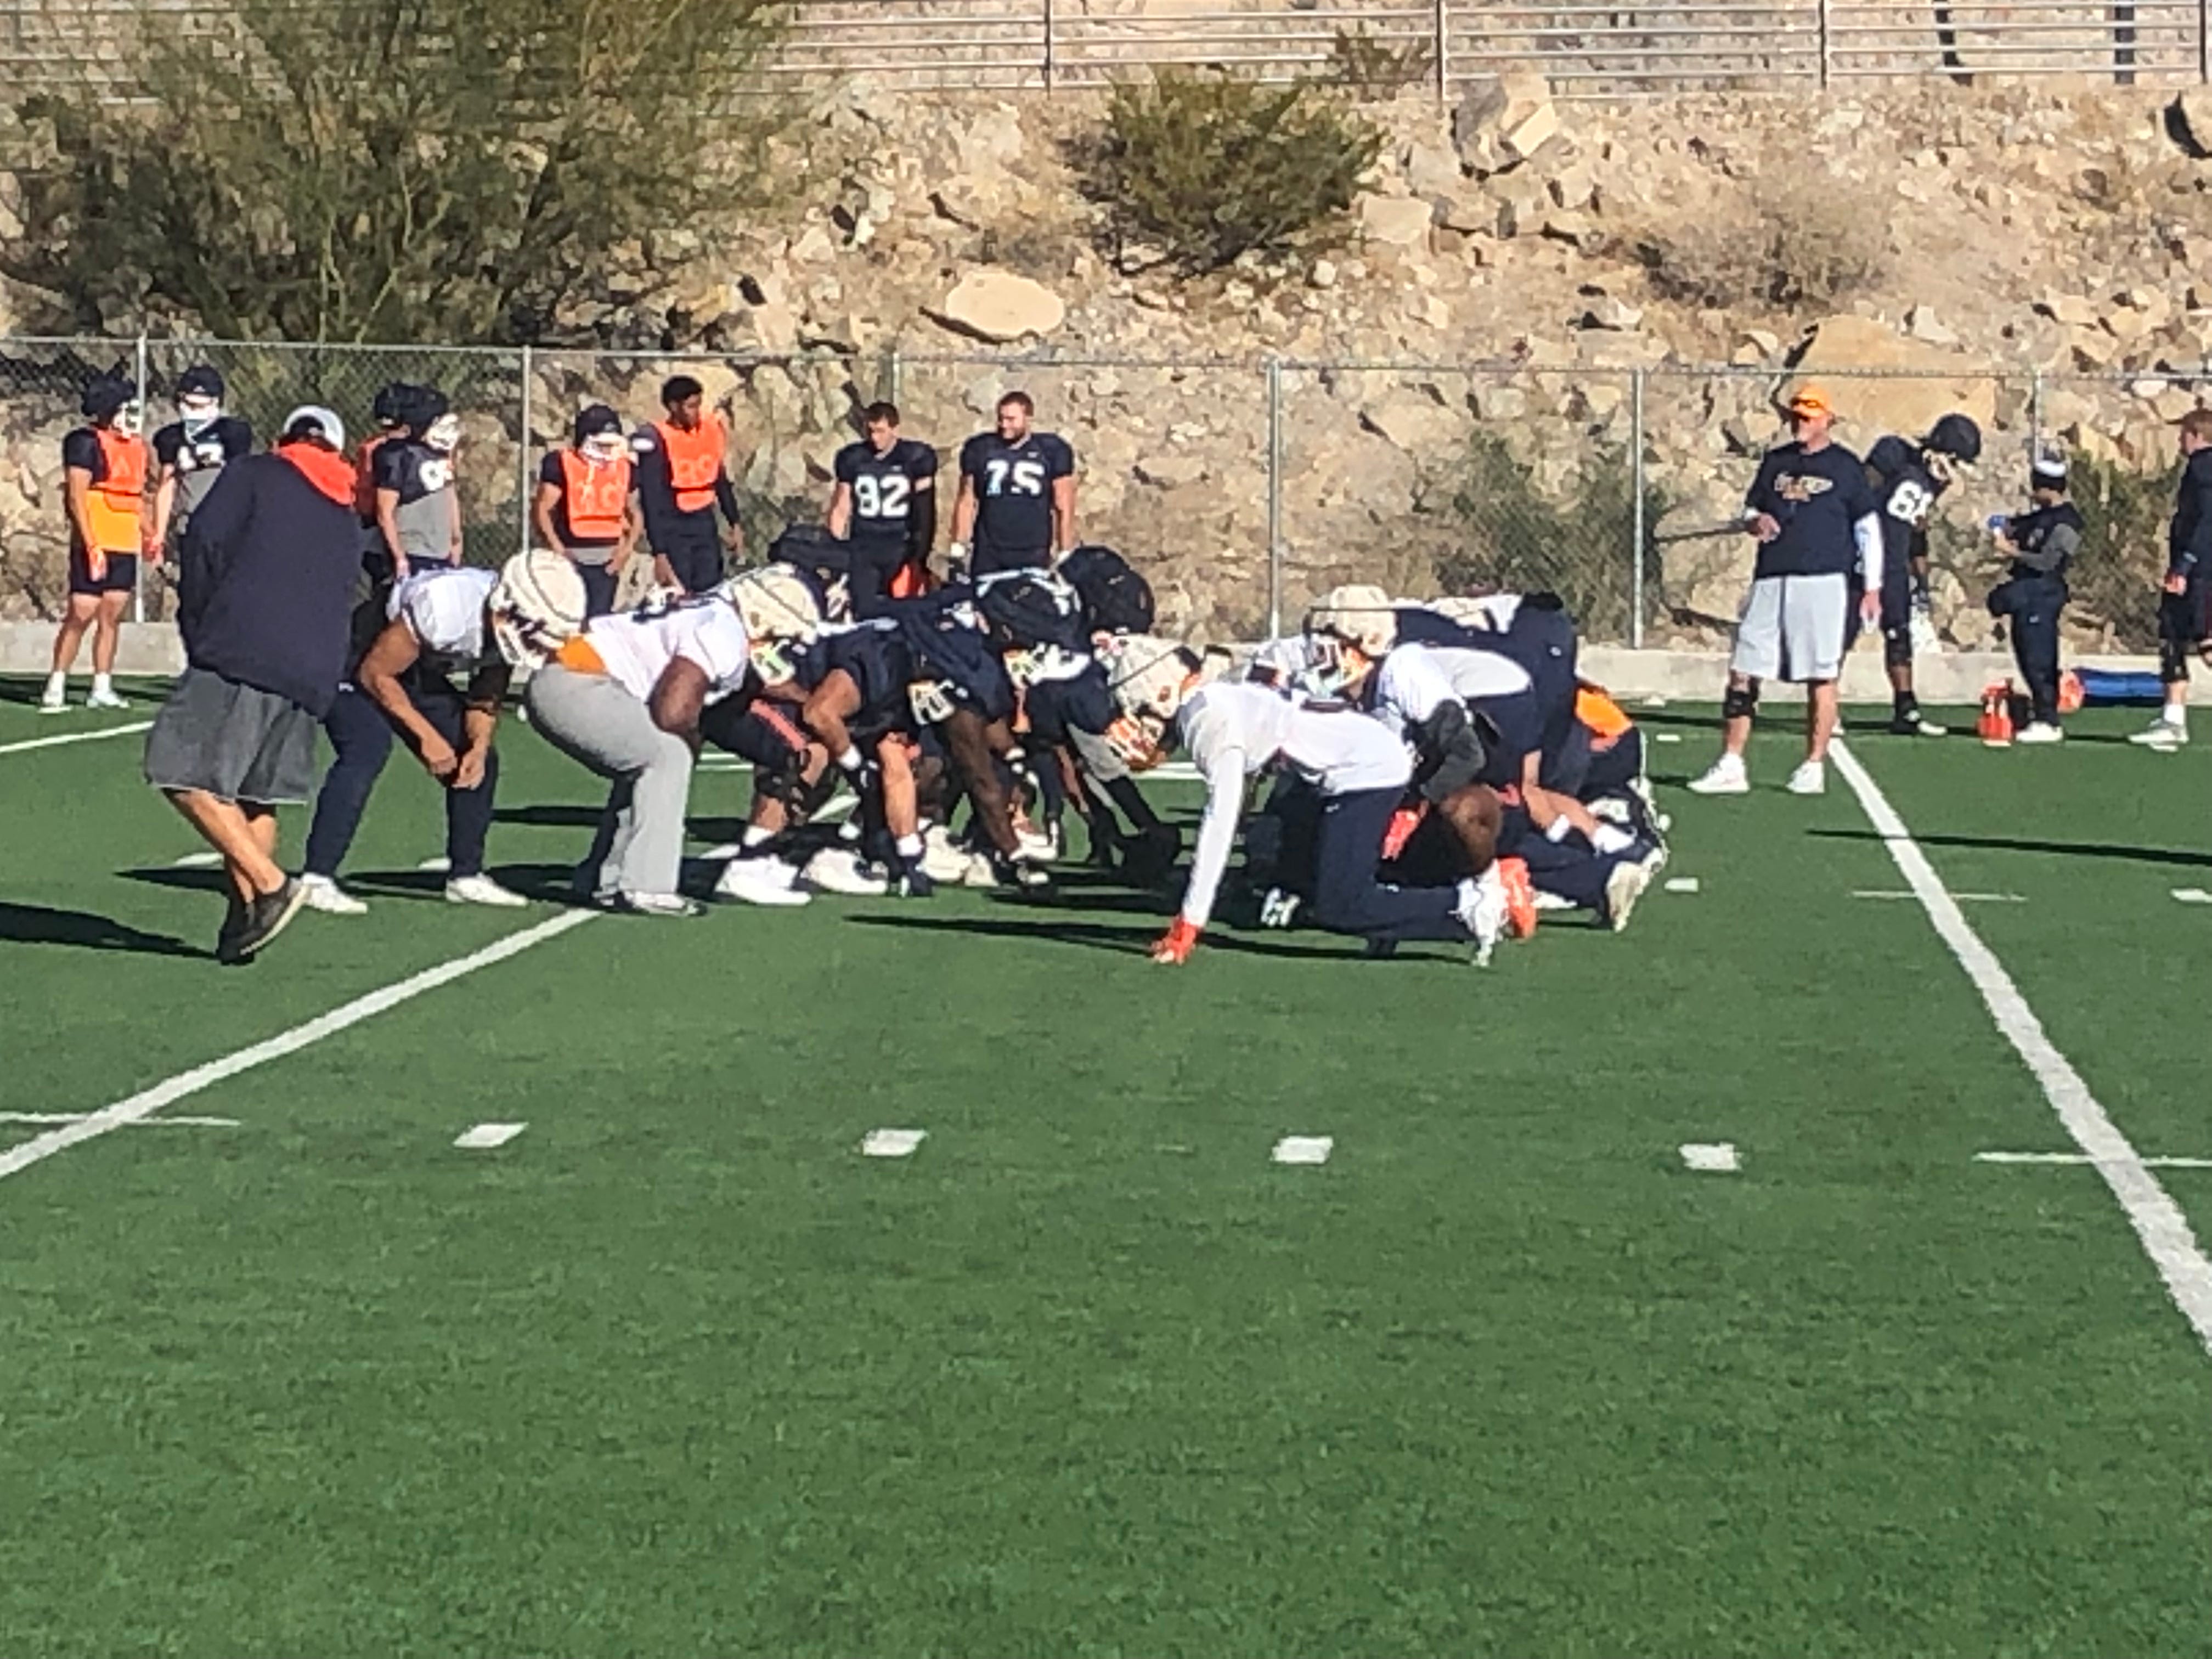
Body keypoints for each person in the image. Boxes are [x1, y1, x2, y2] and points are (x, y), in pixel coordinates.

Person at [1107, 654, 1505, 965]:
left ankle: (1471, 907)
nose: (1139, 728)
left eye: (1141, 712)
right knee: (1320, 882)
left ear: (1164, 694)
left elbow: (1219, 821)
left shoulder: (1206, 721)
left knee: (1341, 903)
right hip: (1345, 763)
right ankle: (1424, 914)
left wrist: (1191, 920)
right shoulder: (1213, 700)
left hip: (1363, 769)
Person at [143, 407, 361, 962]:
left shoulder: (254, 474)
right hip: (315, 669)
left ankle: (270, 886)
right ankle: (245, 924)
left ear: (283, 440)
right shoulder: (344, 505)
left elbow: (204, 544)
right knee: (255, 793)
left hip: (244, 647)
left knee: (175, 767)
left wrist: (200, 623)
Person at [296, 562, 529, 914]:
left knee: (478, 758)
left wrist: (478, 748)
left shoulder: (516, 631)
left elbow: (485, 698)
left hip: (410, 669)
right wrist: (426, 737)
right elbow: (375, 673)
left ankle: (466, 874)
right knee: (366, 746)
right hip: (352, 653)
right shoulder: (446, 605)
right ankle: (316, 877)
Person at [1686, 383, 1882, 798]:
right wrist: (1754, 520)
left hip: (1823, 580)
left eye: (1808, 416)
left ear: (1826, 419)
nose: (1800, 423)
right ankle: (1732, 762)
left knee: (1821, 675)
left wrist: (1872, 587)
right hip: (1772, 577)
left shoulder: (1846, 467)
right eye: (1796, 416)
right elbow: (1751, 507)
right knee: (1744, 669)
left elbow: (1867, 528)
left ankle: (1814, 763)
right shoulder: (1776, 462)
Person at [525, 590, 754, 916]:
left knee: (647, 758)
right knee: (669, 756)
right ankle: (649, 886)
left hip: (571, 674)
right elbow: (673, 713)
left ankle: (605, 877)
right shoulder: (725, 631)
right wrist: (690, 743)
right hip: (579, 680)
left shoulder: (712, 609)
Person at [1864, 413, 1981, 736]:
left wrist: (1921, 577)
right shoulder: (1895, 456)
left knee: (1899, 635)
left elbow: (1916, 529)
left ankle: (1906, 708)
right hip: (1861, 558)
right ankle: (1822, 704)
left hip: (1894, 566)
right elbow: (1859, 498)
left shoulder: (1929, 483)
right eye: (1954, 463)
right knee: (1840, 632)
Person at [40, 374, 150, 714]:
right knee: (82, 612)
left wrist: (149, 534)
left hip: (125, 540)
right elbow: (77, 497)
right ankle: (57, 683)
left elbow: (137, 497)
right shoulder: (85, 443)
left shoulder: (136, 447)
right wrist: (91, 545)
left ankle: (102, 684)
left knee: (112, 613)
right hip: (97, 539)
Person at [1987, 454, 2083, 744]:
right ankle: (2039, 713)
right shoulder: (2040, 517)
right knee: (2026, 654)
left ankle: (2048, 720)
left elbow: (2047, 563)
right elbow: (2015, 525)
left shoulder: (2066, 524)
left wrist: (2010, 551)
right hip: (2026, 593)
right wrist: (2000, 527)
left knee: (2039, 657)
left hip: (2043, 593)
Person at [2134, 407, 2212, 749]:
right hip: (2190, 570)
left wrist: (2185, 566)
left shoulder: (2204, 466)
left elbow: (2208, 521)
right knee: (2172, 637)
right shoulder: (2196, 468)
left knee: (2206, 643)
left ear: (2196, 435)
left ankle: (2173, 719)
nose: (2179, 440)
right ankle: (2173, 718)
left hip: (2202, 574)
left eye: (2183, 434)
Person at [631, 375, 742, 596]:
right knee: (680, 594)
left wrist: (735, 522)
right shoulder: (659, 439)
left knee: (711, 590)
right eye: (690, 407)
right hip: (673, 525)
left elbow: (719, 478)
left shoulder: (708, 430)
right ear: (674, 407)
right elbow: (651, 498)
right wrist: (659, 552)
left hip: (704, 521)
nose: (696, 412)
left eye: (698, 405)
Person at [947, 391, 1075, 578]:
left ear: (1028, 418)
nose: (1004, 425)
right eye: (1001, 419)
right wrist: (958, 546)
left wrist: (1065, 550)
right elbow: (967, 499)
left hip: (1032, 549)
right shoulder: (981, 448)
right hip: (989, 549)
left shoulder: (1050, 450)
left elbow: (1064, 504)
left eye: (1011, 419)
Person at [828, 401, 938, 616]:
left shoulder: (915, 457)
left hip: (899, 544)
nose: (875, 438)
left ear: (895, 429)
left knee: (904, 611)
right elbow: (842, 505)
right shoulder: (853, 458)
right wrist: (835, 546)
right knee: (864, 610)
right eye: (870, 431)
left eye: (880, 431)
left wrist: (920, 555)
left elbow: (925, 510)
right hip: (864, 544)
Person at [534, 404, 637, 617]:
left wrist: (626, 550)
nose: (607, 451)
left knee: (600, 621)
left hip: (609, 558)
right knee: (569, 618)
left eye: (611, 445)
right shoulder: (561, 463)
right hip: (572, 555)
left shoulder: (624, 467)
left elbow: (635, 513)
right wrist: (558, 549)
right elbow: (542, 509)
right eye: (601, 445)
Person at [149, 364, 253, 560]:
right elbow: (167, 486)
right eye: (189, 404)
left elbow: (242, 480)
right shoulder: (172, 438)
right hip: (190, 521)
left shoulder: (232, 433)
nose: (193, 411)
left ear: (216, 403)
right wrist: (159, 534)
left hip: (225, 521)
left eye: (200, 406)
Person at [372, 385, 464, 582]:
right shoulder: (394, 455)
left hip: (440, 550)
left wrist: (456, 539)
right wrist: (399, 556)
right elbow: (385, 512)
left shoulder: (435, 453)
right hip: (412, 551)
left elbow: (450, 495)